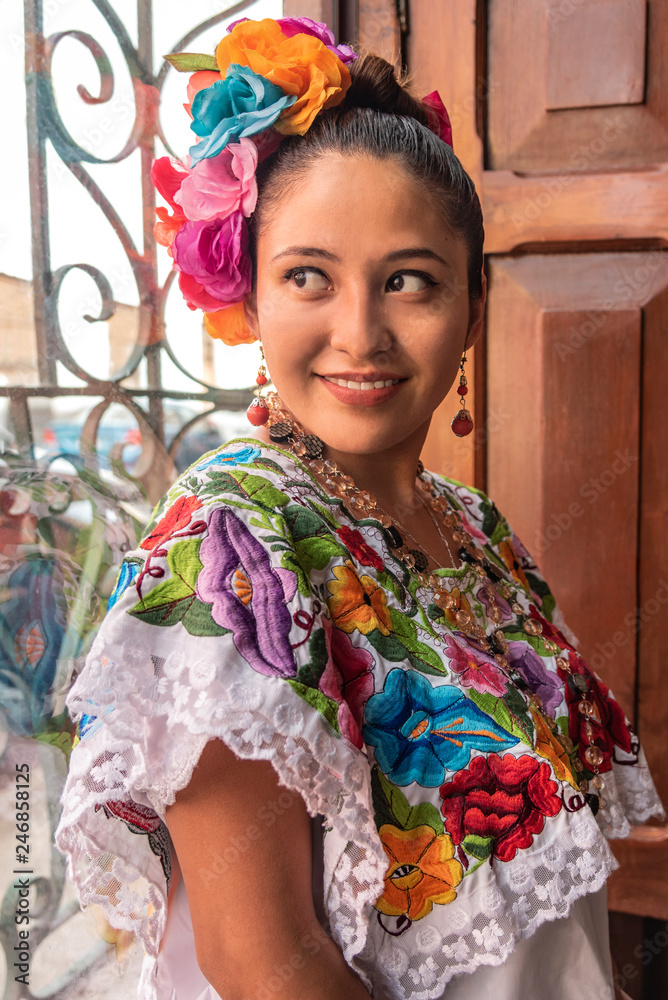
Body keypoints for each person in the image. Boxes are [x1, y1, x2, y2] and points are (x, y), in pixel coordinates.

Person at [55, 16, 664, 1000]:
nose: (359, 333)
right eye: (308, 276)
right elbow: (265, 965)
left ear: (470, 305)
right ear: (249, 298)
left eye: (407, 282)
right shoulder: (235, 544)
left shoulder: (473, 531)